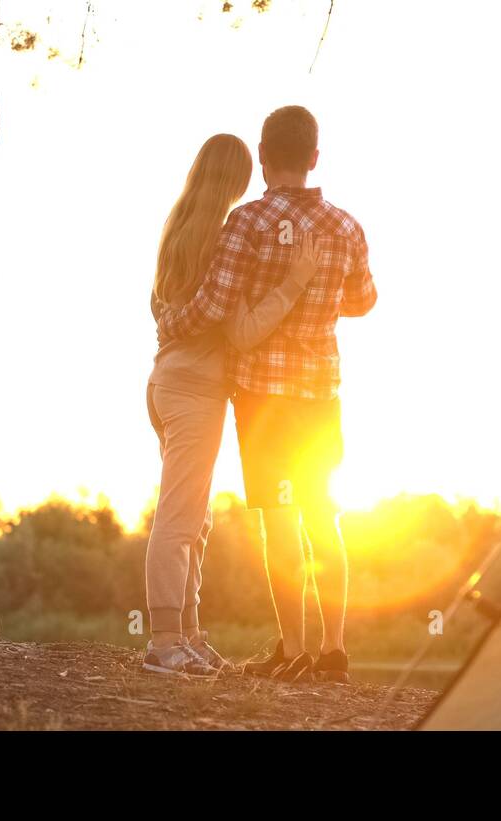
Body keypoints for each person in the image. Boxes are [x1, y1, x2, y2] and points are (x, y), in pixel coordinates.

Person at [157, 106, 377, 683]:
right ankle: (333, 651)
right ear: (314, 158)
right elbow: (363, 300)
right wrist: (319, 299)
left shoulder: (247, 223)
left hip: (264, 400)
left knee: (279, 522)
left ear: (262, 156)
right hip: (321, 394)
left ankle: (292, 650)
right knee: (322, 518)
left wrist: (170, 321)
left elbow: (217, 303)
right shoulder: (346, 226)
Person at [142, 132, 321, 679]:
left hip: (170, 383)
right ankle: (164, 641)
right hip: (193, 390)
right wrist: (291, 286)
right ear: (236, 180)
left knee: (195, 520)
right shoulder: (224, 241)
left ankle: (189, 636)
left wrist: (173, 325)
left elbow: (167, 310)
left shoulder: (180, 229)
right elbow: (239, 330)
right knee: (179, 517)